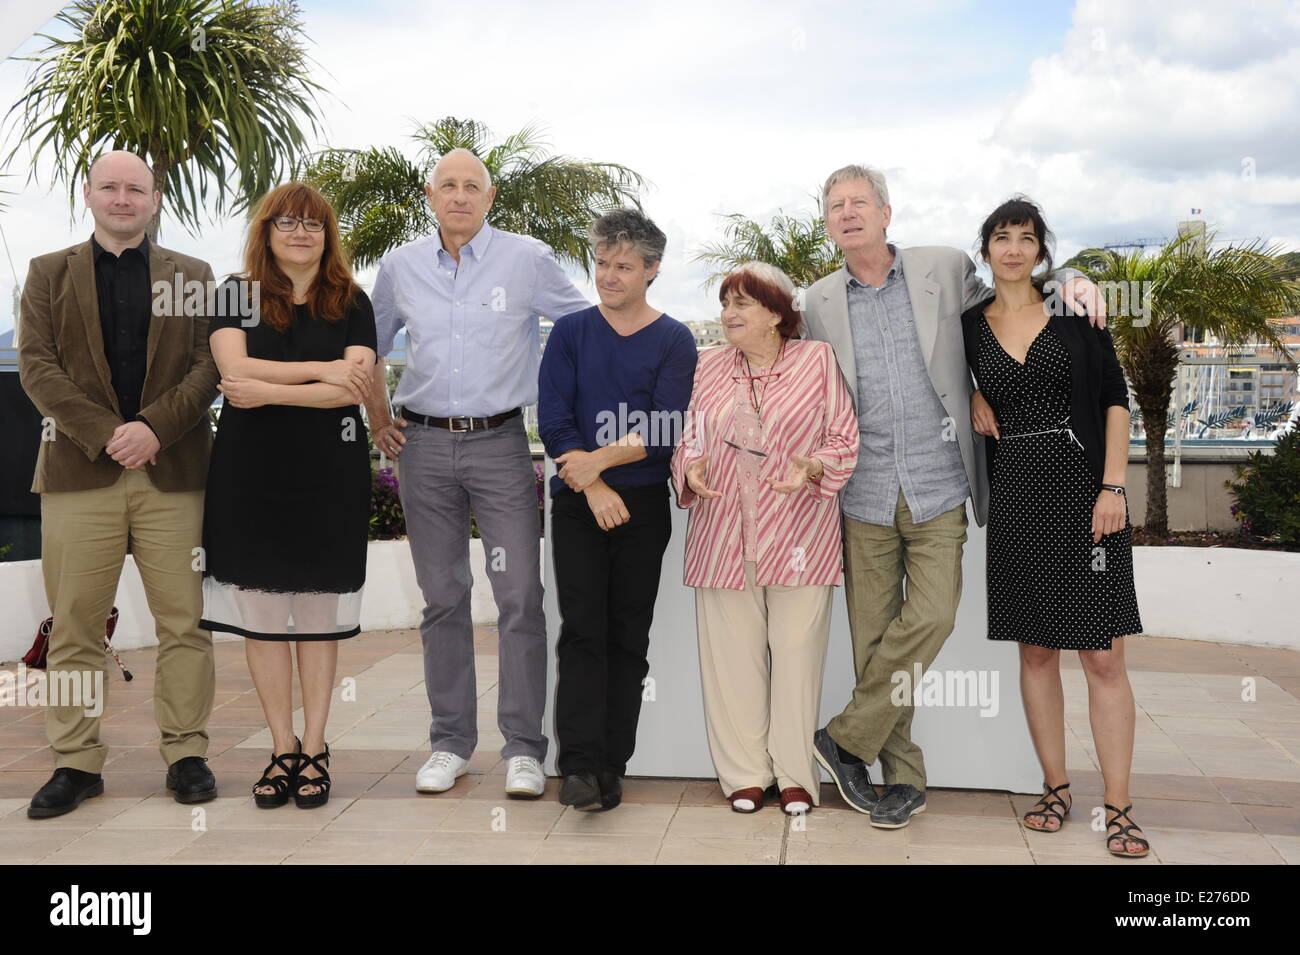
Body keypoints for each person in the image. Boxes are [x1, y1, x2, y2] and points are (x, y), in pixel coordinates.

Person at [802, 164, 1107, 829]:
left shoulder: (940, 266)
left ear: (887, 211)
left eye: (860, 202)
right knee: (873, 641)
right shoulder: (817, 301)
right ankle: (901, 778)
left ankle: (842, 736)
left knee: (933, 615)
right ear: (827, 223)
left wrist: (1070, 280)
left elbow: (1011, 290)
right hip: (863, 491)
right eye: (835, 206)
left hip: (940, 482)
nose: (848, 213)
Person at [366, 148, 590, 797]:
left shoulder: (527, 259)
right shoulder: (400, 267)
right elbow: (369, 350)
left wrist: (571, 420)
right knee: (443, 598)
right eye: (448, 185)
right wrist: (380, 418)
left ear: (490, 198)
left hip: (500, 445)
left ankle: (523, 746)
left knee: (520, 593)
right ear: (430, 196)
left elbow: (583, 330)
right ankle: (450, 742)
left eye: (472, 186)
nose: (460, 195)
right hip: (423, 448)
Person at [18, 150, 221, 818]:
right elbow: (37, 368)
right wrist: (109, 431)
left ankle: (187, 753)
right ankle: (76, 763)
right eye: (110, 186)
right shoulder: (48, 273)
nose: (123, 197)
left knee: (184, 623)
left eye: (136, 187)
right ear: (89, 194)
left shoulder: (192, 276)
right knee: (75, 627)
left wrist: (154, 428)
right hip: (81, 472)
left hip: (173, 472)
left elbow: (206, 366)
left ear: (155, 198)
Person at [961, 196, 1147, 857]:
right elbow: (944, 382)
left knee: (1102, 654)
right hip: (1016, 493)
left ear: (1041, 250)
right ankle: (1056, 786)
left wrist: (1113, 485)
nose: (1013, 247)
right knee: (1037, 650)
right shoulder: (967, 326)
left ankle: (1119, 804)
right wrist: (974, 392)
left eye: (1026, 237)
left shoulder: (1074, 312)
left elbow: (1114, 401)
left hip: (1088, 491)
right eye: (1000, 236)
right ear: (984, 250)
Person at [201, 182, 376, 809]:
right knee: (267, 620)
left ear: (327, 236)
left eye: (313, 224)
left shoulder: (352, 300)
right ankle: (282, 748)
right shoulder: (235, 294)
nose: (300, 233)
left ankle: (317, 746)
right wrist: (324, 371)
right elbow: (232, 372)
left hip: (330, 473)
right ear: (266, 231)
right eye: (287, 222)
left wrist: (279, 387)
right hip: (252, 474)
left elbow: (352, 390)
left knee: (319, 619)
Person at [671, 262, 858, 815]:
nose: (728, 314)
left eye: (742, 304)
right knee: (732, 660)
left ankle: (796, 773)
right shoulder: (706, 366)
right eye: (726, 303)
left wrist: (813, 467)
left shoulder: (815, 360)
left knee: (798, 656)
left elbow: (843, 435)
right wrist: (691, 468)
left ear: (776, 314)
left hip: (800, 531)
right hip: (723, 533)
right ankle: (746, 775)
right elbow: (689, 437)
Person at [538, 209, 697, 811]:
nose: (607, 275)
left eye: (623, 266)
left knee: (628, 636)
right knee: (582, 633)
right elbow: (552, 417)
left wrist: (598, 467)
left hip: (643, 506)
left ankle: (612, 766)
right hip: (578, 502)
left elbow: (665, 427)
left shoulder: (675, 339)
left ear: (652, 270)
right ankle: (577, 766)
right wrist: (593, 483)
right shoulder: (570, 333)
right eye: (602, 263)